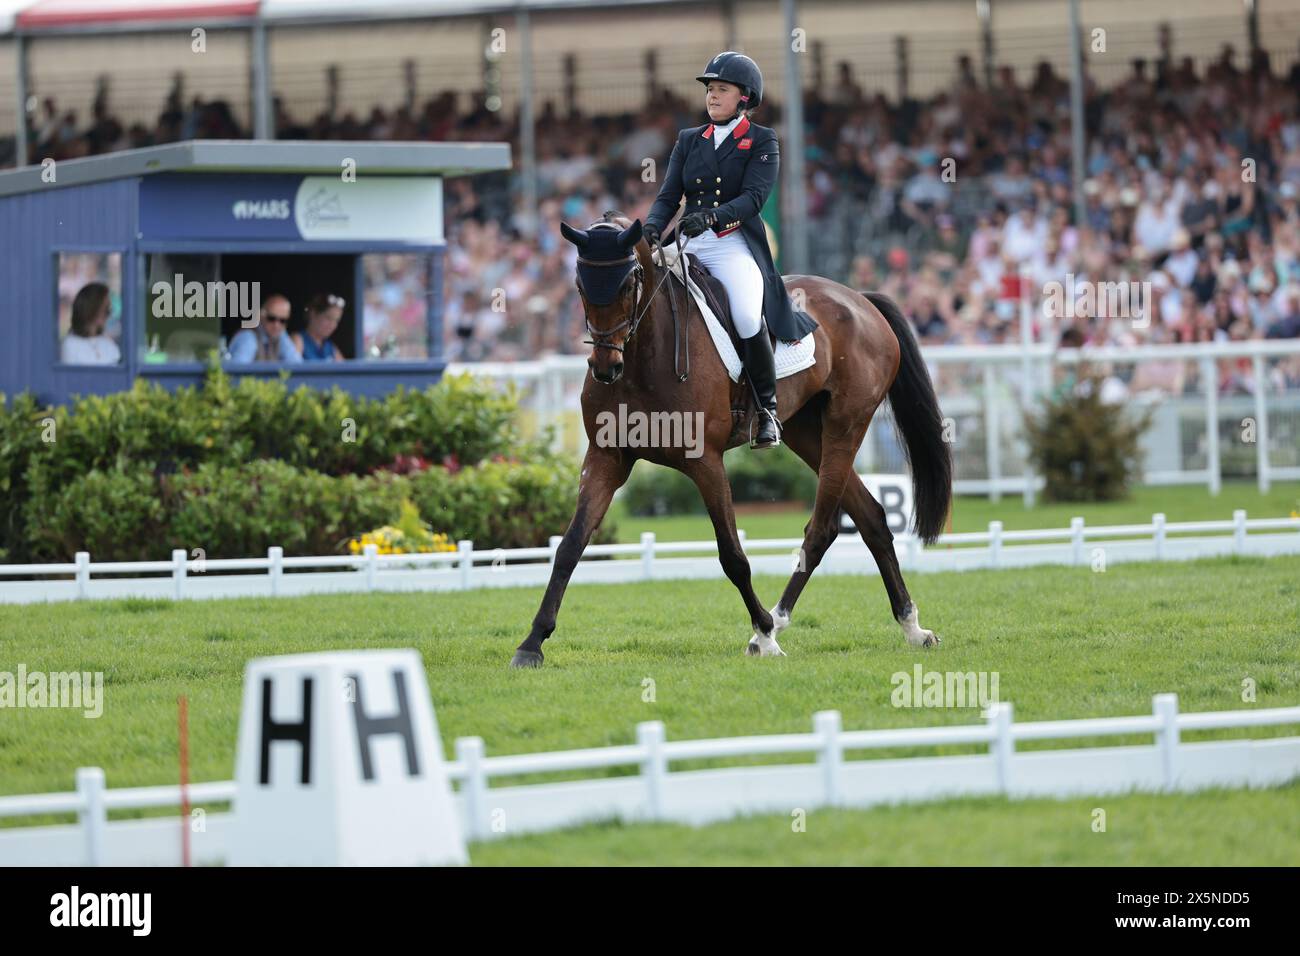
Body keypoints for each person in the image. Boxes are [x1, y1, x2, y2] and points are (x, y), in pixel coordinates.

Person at [643, 51, 816, 449]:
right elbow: (669, 196)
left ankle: (767, 410)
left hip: (732, 243)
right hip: (687, 243)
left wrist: (713, 217)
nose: (712, 96)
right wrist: (652, 231)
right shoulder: (689, 140)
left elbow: (755, 197)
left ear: (744, 97)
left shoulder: (762, 140)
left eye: (722, 89)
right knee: (641, 292)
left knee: (743, 312)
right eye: (710, 89)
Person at [228, 293, 302, 363]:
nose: (277, 325)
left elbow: (297, 366)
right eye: (271, 318)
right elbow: (237, 372)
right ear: (261, 316)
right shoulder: (248, 337)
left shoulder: (280, 335)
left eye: (283, 321)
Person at [61, 282, 121, 365]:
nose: (109, 314)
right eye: (106, 310)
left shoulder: (109, 344)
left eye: (109, 310)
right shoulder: (70, 345)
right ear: (91, 309)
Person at [291, 293, 346, 361]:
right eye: (328, 318)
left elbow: (345, 369)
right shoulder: (298, 340)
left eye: (336, 321)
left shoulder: (331, 347)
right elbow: (292, 369)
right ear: (313, 314)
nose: (332, 325)